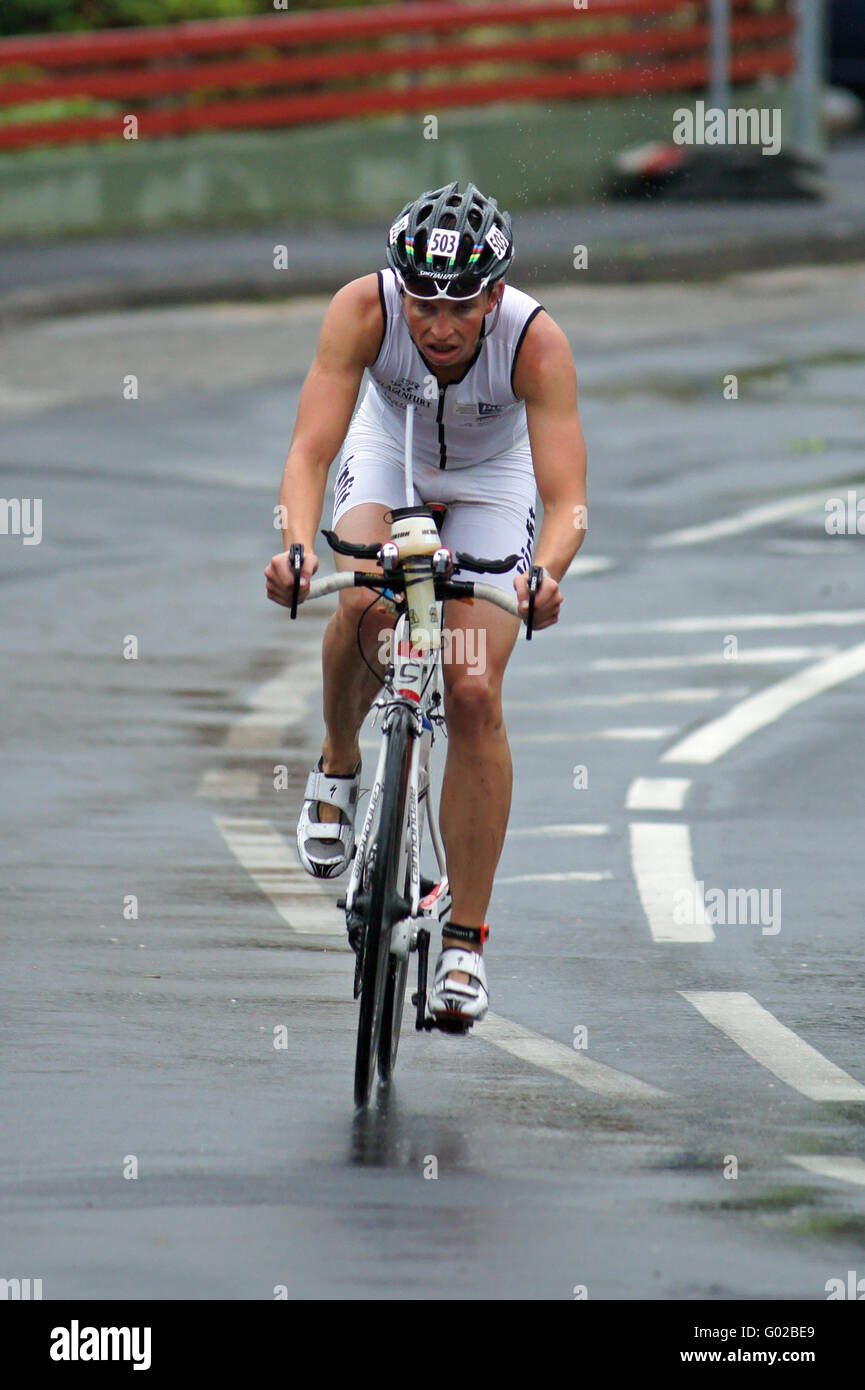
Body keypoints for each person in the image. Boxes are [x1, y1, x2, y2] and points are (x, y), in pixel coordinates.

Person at [265, 181, 587, 1025]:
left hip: (490, 480)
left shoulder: (535, 343)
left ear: (492, 295)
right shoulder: (361, 312)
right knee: (363, 603)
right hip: (390, 454)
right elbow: (309, 451)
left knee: (474, 687)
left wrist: (541, 575)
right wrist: (299, 549)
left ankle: (467, 944)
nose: (438, 326)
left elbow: (568, 502)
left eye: (459, 306)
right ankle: (339, 765)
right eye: (422, 303)